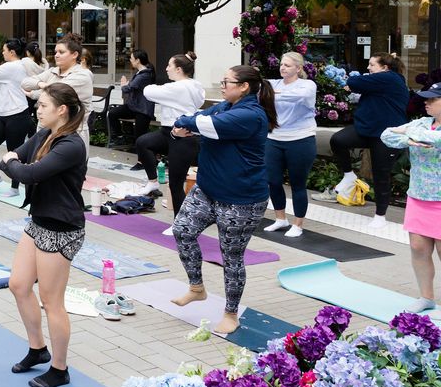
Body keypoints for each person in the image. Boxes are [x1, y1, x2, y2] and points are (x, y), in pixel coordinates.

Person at [169, 65, 277, 335]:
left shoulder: (251, 115)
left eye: (227, 81)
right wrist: (183, 126)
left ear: (244, 87)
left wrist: (186, 124)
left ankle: (231, 313)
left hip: (242, 200)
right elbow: (198, 117)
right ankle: (197, 288)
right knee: (182, 230)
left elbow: (203, 123)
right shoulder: (225, 106)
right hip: (207, 190)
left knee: (231, 257)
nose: (222, 85)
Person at [1, 82, 88, 387]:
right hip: (39, 221)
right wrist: (14, 161)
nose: (37, 109)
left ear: (61, 110)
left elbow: (27, 172)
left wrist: (13, 161)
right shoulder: (43, 135)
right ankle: (38, 349)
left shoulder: (71, 145)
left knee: (52, 302)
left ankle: (59, 369)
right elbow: (13, 161)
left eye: (43, 106)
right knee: (19, 285)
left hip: (61, 227)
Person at [330, 52, 411, 228]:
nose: (368, 68)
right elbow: (358, 86)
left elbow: (353, 82)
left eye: (372, 65)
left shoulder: (391, 78)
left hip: (387, 135)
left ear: (385, 68)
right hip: (368, 131)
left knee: (381, 175)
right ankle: (349, 176)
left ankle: (380, 216)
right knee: (338, 140)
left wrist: (355, 84)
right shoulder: (381, 81)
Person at [381, 81, 441, 312]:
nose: (426, 103)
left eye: (432, 99)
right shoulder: (423, 123)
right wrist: (409, 138)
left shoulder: (419, 127)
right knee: (418, 247)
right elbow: (386, 135)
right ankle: (426, 297)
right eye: (425, 98)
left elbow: (434, 140)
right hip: (418, 195)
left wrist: (409, 132)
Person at [138, 52, 206, 232]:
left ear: (178, 69)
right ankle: (153, 181)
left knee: (176, 183)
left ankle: (180, 224)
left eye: (169, 65)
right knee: (143, 142)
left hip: (182, 137)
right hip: (167, 132)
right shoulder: (192, 86)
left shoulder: (180, 87)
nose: (166, 68)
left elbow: (148, 91)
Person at [263, 52, 319, 238]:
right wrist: (271, 92)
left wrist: (273, 94)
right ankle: (280, 219)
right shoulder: (273, 84)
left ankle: (298, 224)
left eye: (287, 65)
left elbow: (296, 97)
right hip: (275, 138)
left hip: (301, 138)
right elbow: (258, 92)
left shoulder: (307, 85)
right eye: (281, 64)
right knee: (273, 181)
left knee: (298, 184)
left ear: (298, 68)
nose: (283, 67)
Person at [22, 36, 94, 145]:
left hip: (71, 137)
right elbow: (25, 82)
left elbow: (56, 92)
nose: (56, 55)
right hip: (46, 132)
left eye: (61, 52)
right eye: (55, 52)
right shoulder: (52, 71)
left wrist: (35, 92)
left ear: (74, 55)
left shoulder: (83, 76)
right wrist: (42, 84)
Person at [0, 39, 32, 194]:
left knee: (14, 153)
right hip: (3, 114)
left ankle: (15, 188)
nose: (2, 53)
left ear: (12, 52)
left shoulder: (12, 67)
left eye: (4, 50)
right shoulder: (16, 66)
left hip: (17, 114)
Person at [109, 49, 156, 148]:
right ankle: (120, 137)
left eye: (131, 58)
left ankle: (144, 155)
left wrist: (123, 85)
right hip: (133, 107)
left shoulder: (145, 74)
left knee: (140, 137)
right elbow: (131, 86)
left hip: (142, 110)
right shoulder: (139, 73)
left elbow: (128, 88)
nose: (130, 60)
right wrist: (126, 84)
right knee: (112, 113)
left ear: (137, 60)